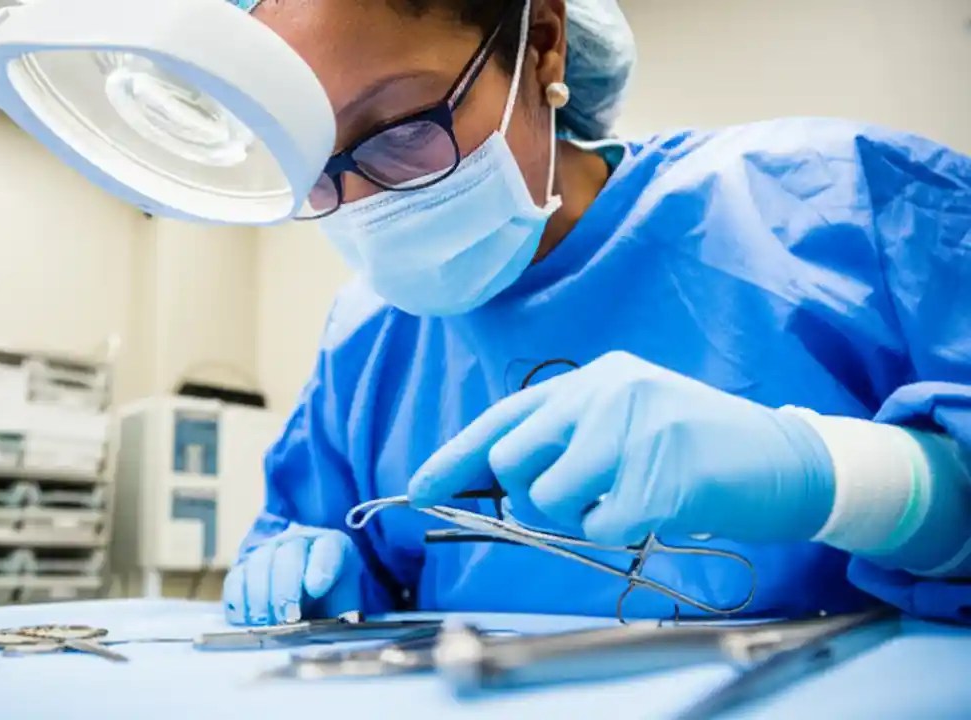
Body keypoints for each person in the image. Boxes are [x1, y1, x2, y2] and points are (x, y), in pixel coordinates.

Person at [221, 0, 971, 625]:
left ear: (544, 43)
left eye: (406, 129)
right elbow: (346, 556)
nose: (361, 206)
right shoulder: (364, 341)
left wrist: (840, 480)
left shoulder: (849, 206)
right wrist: (333, 593)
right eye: (310, 164)